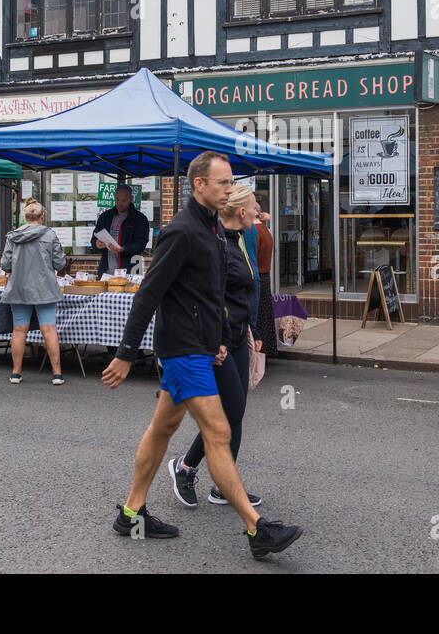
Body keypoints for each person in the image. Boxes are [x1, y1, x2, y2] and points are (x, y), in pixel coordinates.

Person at [101, 151, 302, 560]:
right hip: (183, 350)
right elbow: (149, 294)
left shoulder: (211, 228)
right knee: (219, 431)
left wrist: (218, 338)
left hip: (199, 345)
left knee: (161, 431)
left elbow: (208, 295)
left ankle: (131, 512)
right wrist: (125, 352)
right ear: (200, 184)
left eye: (231, 183)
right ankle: (256, 528)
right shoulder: (182, 231)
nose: (230, 189)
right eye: (224, 182)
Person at [169, 185, 264, 508]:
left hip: (238, 337)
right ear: (240, 211)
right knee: (230, 413)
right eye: (254, 207)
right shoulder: (218, 243)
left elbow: (249, 289)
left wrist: (254, 329)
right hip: (219, 341)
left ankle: (223, 485)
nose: (258, 212)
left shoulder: (239, 239)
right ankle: (185, 466)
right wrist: (216, 340)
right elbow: (212, 296)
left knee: (233, 414)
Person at [1, 201, 66, 385]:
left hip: (19, 288)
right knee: (49, 329)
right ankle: (57, 373)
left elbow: (5, 265)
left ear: (25, 216)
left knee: (19, 330)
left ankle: (16, 372)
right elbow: (60, 263)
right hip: (44, 288)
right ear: (42, 216)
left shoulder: (13, 237)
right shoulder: (50, 235)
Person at [93, 184, 150, 277]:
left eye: (124, 200)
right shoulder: (105, 217)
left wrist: (123, 249)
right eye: (117, 199)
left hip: (130, 272)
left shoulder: (140, 219)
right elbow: (94, 238)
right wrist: (96, 244)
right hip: (106, 273)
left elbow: (141, 245)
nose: (120, 203)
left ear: (131, 199)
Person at [254, 209, 276, 358]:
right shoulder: (265, 230)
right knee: (265, 316)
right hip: (266, 276)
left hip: (258, 276)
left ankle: (259, 352)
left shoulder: (254, 232)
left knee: (258, 317)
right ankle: (266, 350)